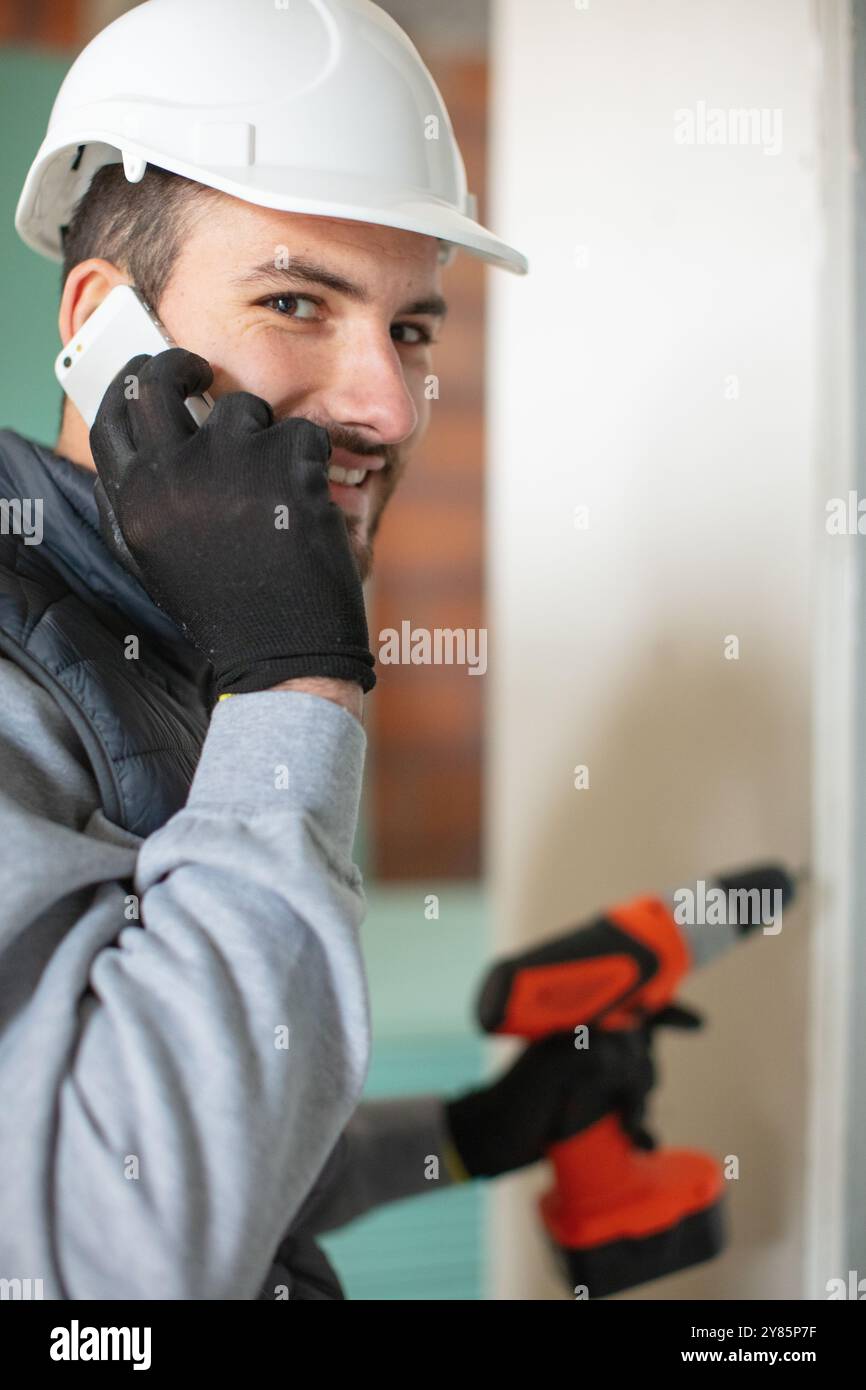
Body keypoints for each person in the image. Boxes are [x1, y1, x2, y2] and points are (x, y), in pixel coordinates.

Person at [0, 0, 651, 1300]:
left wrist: (457, 1141)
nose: (388, 403)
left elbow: (155, 1133)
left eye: (411, 327)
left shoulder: (168, 651)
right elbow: (102, 1276)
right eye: (297, 299)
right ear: (106, 332)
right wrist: (299, 676)